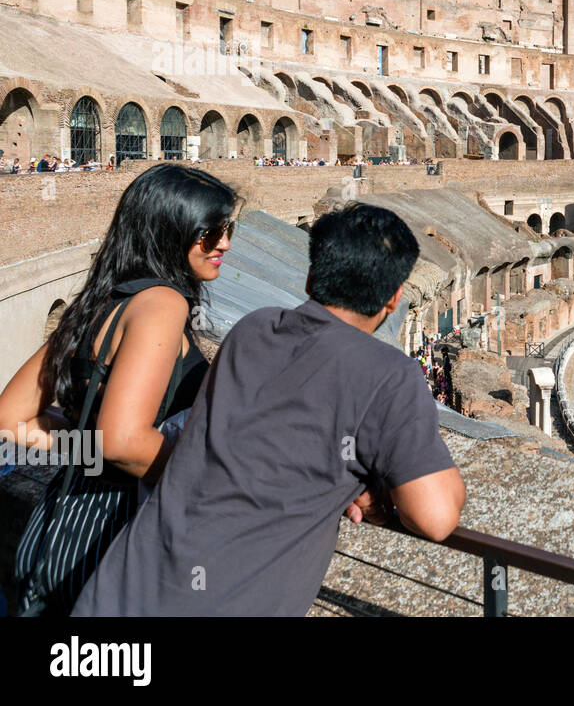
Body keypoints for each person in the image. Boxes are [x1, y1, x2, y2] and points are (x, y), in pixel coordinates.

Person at [72, 202, 464, 616]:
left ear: (312, 276)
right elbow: (436, 517)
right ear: (394, 297)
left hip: (116, 593)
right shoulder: (390, 374)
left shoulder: (253, 329)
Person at [0, 164, 239, 616]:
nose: (223, 243)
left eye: (228, 228)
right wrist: (211, 484)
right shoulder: (162, 303)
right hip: (117, 535)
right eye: (210, 231)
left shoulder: (101, 300)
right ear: (170, 231)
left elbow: (11, 417)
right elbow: (124, 441)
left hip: (58, 524)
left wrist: (90, 451)